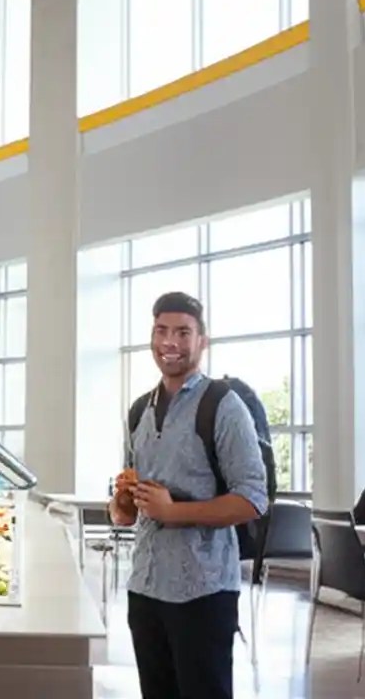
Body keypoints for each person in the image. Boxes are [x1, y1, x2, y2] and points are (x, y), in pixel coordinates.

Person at [109, 292, 268, 699]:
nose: (170, 342)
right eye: (161, 331)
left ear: (202, 341)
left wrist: (172, 511)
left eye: (183, 332)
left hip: (204, 589)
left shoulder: (224, 405)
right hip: (145, 586)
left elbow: (253, 498)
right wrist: (123, 501)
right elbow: (127, 511)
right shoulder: (139, 410)